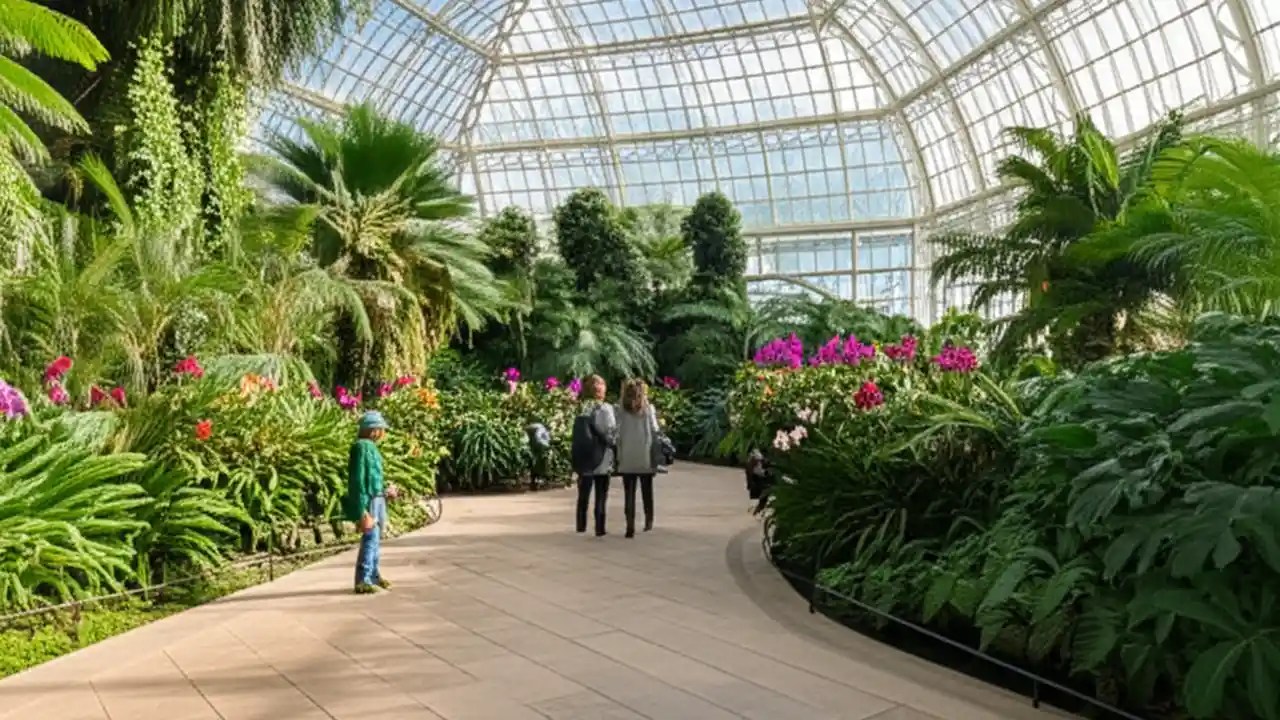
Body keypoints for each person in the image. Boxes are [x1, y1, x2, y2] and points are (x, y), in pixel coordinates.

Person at [343, 410, 392, 594]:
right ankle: (363, 578)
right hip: (369, 499)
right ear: (373, 430)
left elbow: (374, 476)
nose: (382, 433)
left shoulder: (371, 447)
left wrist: (386, 490)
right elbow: (358, 480)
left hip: (378, 497)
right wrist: (362, 509)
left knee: (376, 538)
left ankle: (374, 574)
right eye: (380, 429)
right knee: (370, 537)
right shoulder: (361, 447)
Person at [615, 378, 660, 538]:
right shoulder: (648, 409)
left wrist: (618, 454)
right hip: (644, 455)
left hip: (627, 455)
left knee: (629, 492)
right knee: (647, 491)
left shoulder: (620, 409)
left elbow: (617, 433)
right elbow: (654, 430)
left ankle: (630, 526)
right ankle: (648, 521)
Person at [571, 375, 615, 536]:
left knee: (583, 493)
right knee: (601, 494)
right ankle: (599, 527)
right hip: (601, 457)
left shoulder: (580, 407)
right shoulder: (605, 409)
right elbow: (610, 431)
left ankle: (581, 525)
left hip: (583, 456)